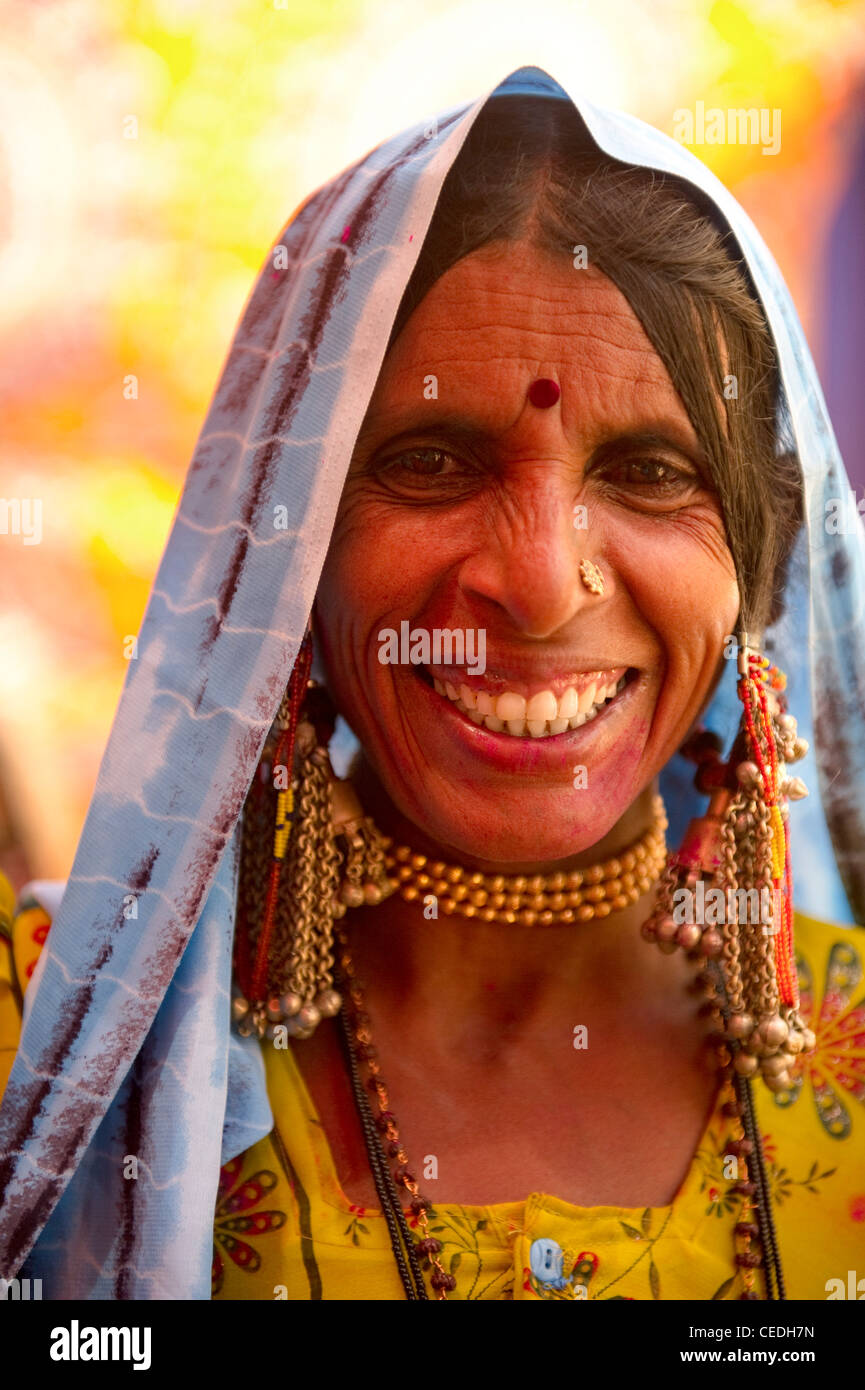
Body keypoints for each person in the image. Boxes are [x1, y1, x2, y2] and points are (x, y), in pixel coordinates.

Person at [1, 65, 863, 1303]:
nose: (540, 584)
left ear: (756, 569)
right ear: (284, 556)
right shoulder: (56, 1049)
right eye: (432, 459)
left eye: (650, 472)